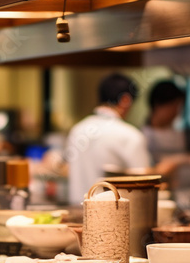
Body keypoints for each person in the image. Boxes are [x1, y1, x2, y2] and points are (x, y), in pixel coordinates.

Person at [65, 73, 152, 203]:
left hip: (77, 210)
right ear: (125, 100)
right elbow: (144, 181)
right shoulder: (130, 135)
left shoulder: (77, 130)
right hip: (112, 213)